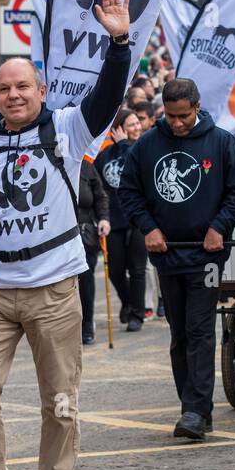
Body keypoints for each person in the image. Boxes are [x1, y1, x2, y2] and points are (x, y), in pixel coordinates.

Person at [0, 0, 133, 470]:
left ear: (41, 90)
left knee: (59, 397)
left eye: (23, 86)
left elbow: (108, 95)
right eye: (4, 88)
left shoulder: (68, 128)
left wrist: (117, 41)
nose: (13, 95)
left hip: (53, 286)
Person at [117, 77, 235, 441]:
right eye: (172, 116)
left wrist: (219, 227)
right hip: (167, 255)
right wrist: (148, 228)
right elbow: (128, 192)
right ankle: (192, 406)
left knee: (199, 330)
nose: (177, 123)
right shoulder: (147, 145)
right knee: (179, 334)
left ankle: (196, 409)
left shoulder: (222, 142)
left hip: (206, 257)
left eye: (184, 116)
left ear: (196, 107)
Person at [94, 109, 154, 329]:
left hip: (139, 218)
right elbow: (98, 187)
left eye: (138, 122)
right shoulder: (105, 156)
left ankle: (137, 314)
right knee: (116, 270)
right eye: (131, 124)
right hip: (114, 220)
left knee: (138, 268)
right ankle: (128, 302)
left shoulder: (143, 148)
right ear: (117, 129)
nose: (137, 127)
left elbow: (140, 169)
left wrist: (124, 146)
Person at [76, 157, 111, 345]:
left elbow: (100, 195)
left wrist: (104, 218)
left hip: (84, 233)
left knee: (85, 279)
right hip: (56, 234)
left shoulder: (86, 166)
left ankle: (87, 323)